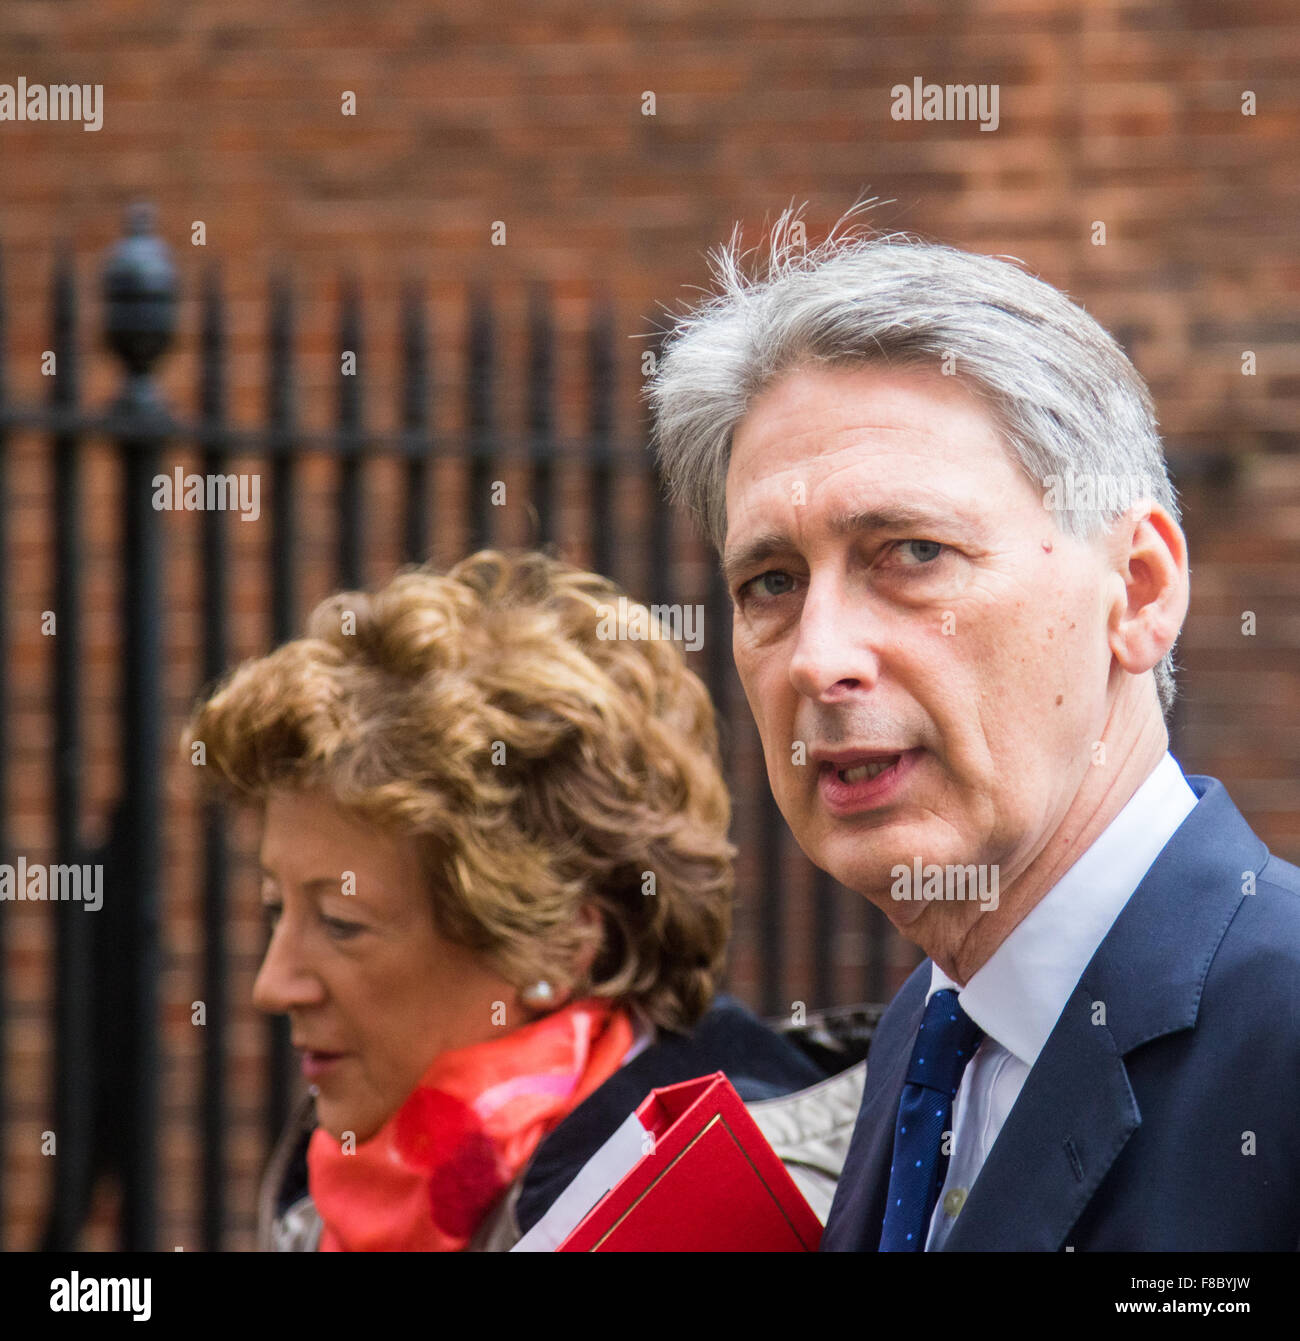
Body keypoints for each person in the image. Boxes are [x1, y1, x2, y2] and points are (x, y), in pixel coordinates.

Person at [646, 204, 1300, 1251]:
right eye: (769, 581)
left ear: (1135, 593)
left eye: (910, 554)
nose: (818, 656)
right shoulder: (932, 1033)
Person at [183, 549, 862, 1252]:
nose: (273, 983)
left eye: (341, 922)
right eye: (276, 908)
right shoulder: (343, 1181)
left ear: (561, 944)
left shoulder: (727, 1215)